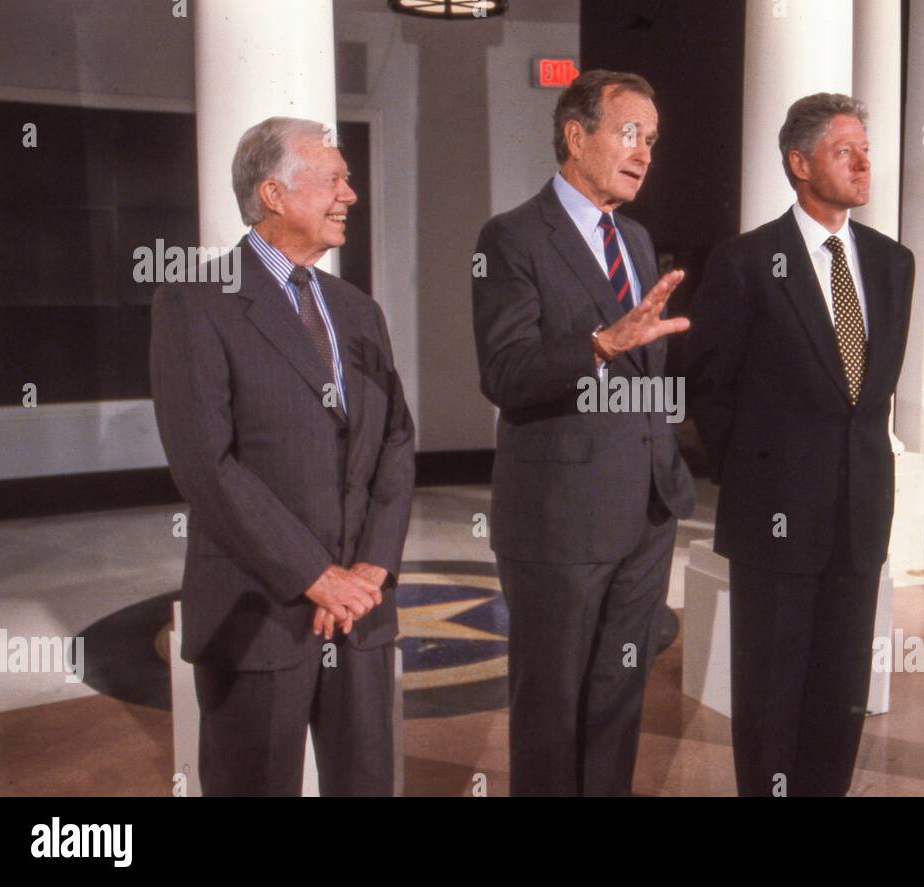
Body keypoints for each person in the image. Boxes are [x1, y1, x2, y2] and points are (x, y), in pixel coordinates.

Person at [150, 116, 415, 796]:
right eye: (334, 179)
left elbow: (395, 440)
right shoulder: (194, 304)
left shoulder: (361, 310)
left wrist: (370, 568)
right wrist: (314, 575)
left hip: (360, 614)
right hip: (258, 614)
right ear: (273, 193)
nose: (349, 195)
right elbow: (207, 467)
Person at [470, 70, 695, 796]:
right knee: (551, 706)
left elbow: (644, 372)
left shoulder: (634, 236)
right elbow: (505, 372)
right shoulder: (509, 238)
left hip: (645, 513)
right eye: (630, 133)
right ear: (577, 134)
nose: (644, 153)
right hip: (558, 520)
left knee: (618, 698)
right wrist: (599, 343)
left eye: (652, 141)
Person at [687, 93, 915, 796]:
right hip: (774, 521)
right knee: (769, 696)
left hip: (862, 515)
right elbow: (707, 388)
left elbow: (868, 398)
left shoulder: (892, 262)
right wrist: (761, 482)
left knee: (842, 692)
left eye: (865, 149)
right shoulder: (745, 261)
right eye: (846, 151)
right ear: (799, 162)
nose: (864, 162)